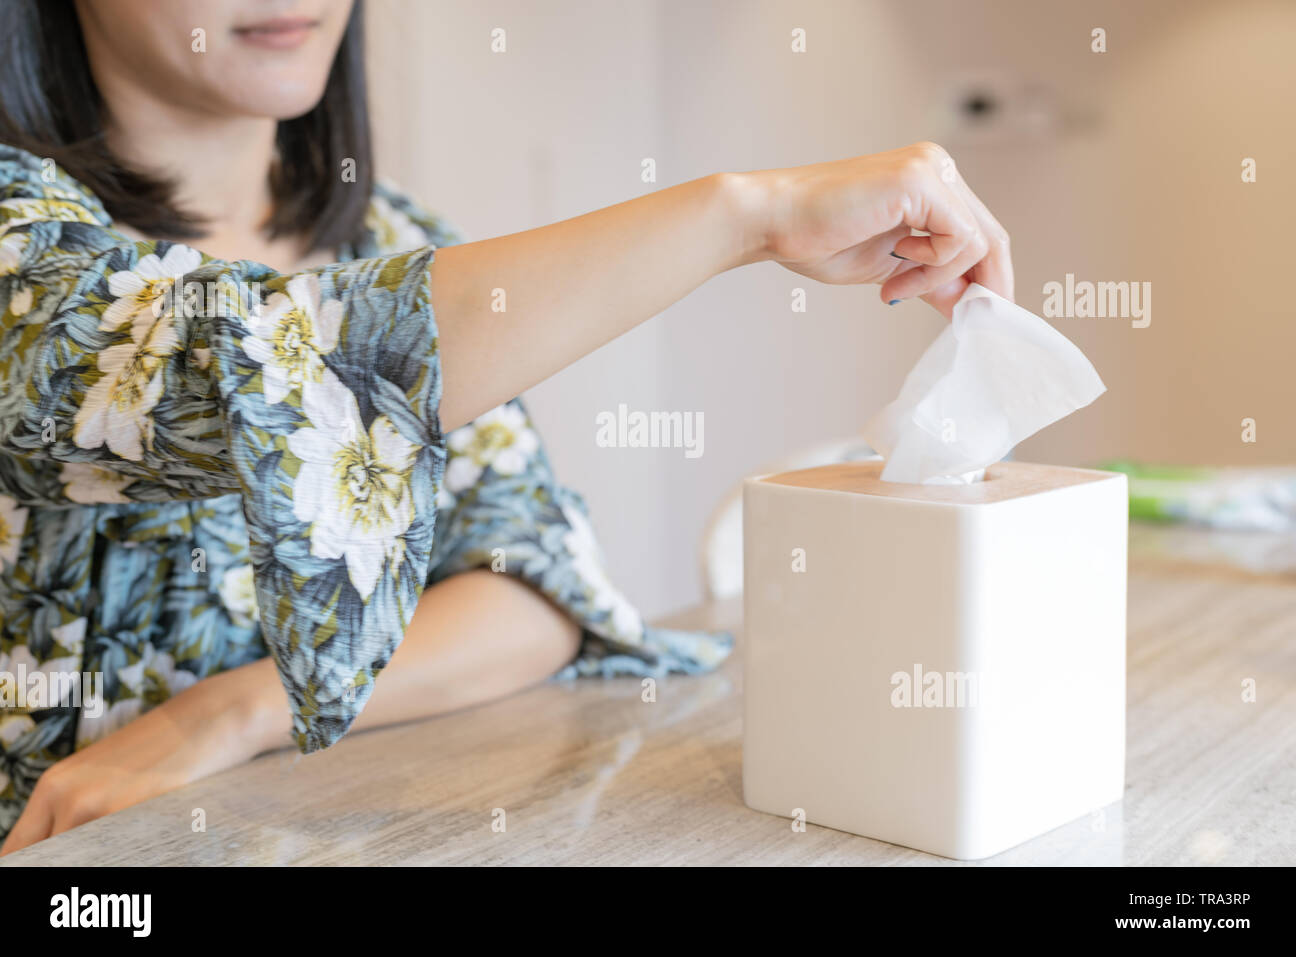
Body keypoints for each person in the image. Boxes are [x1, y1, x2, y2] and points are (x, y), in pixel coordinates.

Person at [0, 0, 1012, 855]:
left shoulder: (396, 240)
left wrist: (225, 716)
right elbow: (239, 369)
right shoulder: (21, 233)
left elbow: (531, 580)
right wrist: (743, 215)